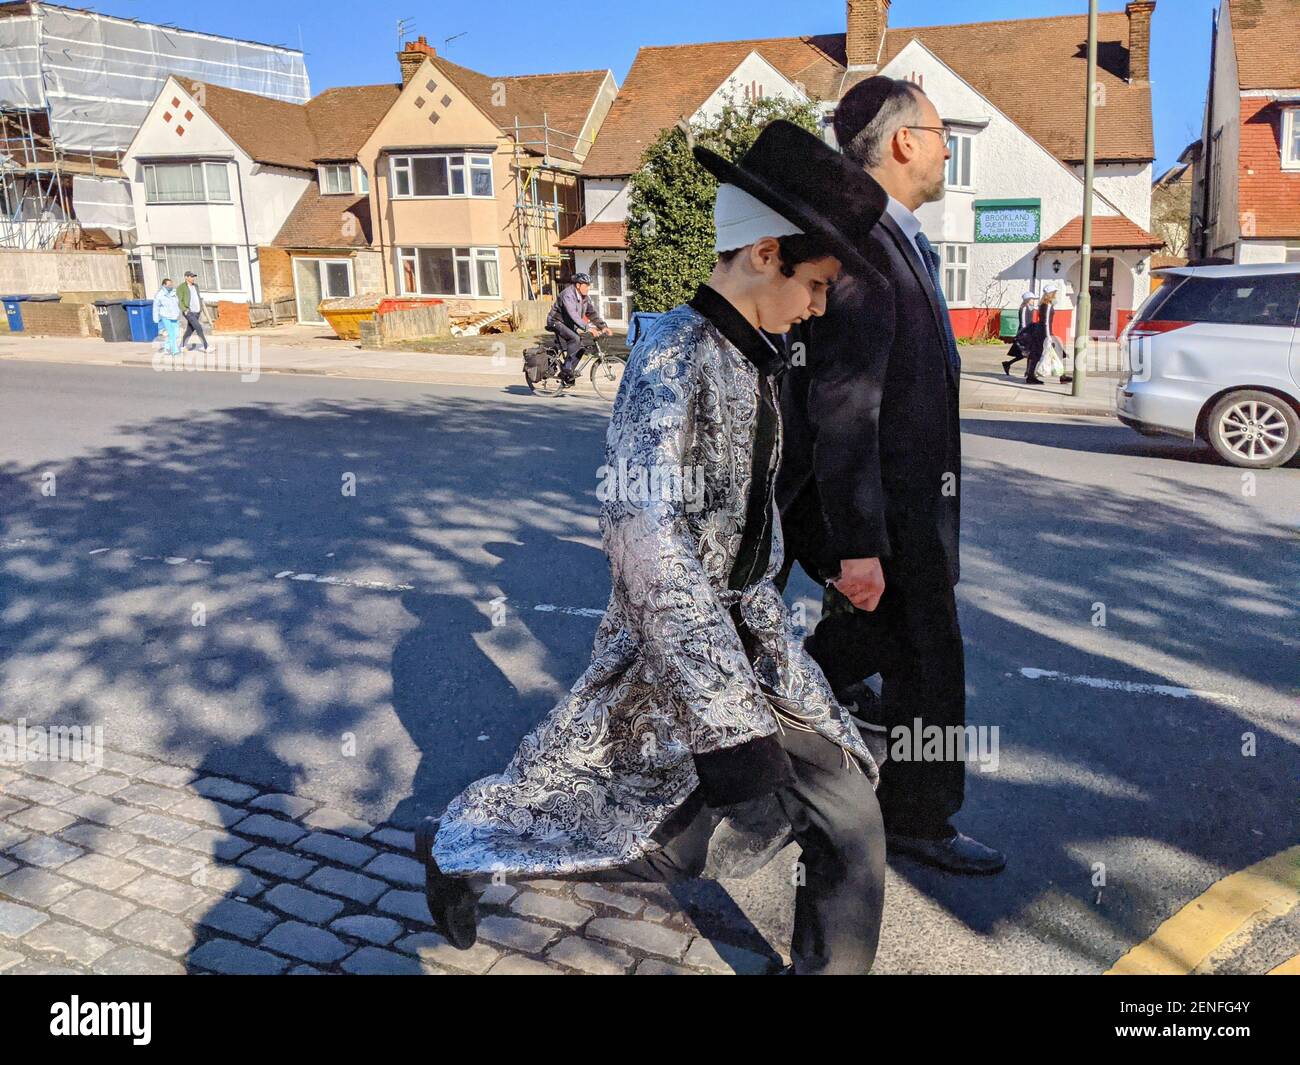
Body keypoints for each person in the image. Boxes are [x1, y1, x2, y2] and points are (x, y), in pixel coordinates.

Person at [417, 120, 892, 974]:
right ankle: (459, 849)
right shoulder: (670, 358)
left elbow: (760, 507)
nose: (820, 306)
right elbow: (644, 533)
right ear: (763, 254)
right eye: (816, 284)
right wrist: (722, 719)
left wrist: (837, 561)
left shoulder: (759, 359)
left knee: (848, 816)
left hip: (756, 650)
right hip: (674, 660)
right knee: (597, 815)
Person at [777, 76, 1006, 876]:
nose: (947, 147)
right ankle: (921, 817)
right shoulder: (866, 243)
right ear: (904, 141)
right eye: (942, 132)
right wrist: (860, 544)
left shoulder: (891, 235)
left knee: (886, 645)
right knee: (930, 661)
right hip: (893, 512)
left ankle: (771, 708)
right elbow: (841, 405)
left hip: (911, 505)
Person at [546, 273, 611, 386]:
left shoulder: (584, 297)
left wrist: (603, 326)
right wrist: (588, 328)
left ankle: (568, 373)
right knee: (575, 339)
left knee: (581, 348)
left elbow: (592, 313)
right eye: (586, 285)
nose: (589, 287)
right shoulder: (568, 295)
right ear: (578, 285)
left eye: (589, 285)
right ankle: (566, 370)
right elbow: (573, 315)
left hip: (567, 323)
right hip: (555, 321)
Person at [1026, 284, 1069, 385]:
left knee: (1057, 352)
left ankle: (1062, 376)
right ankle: (1031, 377)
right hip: (1045, 334)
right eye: (1055, 293)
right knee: (1039, 354)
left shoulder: (1043, 305)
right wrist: (1049, 337)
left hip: (1044, 332)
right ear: (1051, 294)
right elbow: (1045, 322)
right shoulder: (1047, 306)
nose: (1056, 296)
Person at [1002, 289, 1039, 377]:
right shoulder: (1024, 308)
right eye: (1032, 299)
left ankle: (1009, 364)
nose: (1033, 301)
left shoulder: (1030, 308)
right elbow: (1023, 322)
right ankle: (1027, 371)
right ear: (1028, 299)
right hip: (1024, 334)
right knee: (1027, 353)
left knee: (1026, 354)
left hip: (1028, 332)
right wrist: (1024, 334)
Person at [178, 270, 209, 352]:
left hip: (197, 311)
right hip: (189, 312)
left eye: (193, 276)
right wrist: (185, 310)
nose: (193, 278)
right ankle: (206, 347)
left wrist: (201, 308)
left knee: (189, 330)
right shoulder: (181, 287)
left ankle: (182, 346)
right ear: (186, 277)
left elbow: (198, 297)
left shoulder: (196, 286)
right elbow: (179, 300)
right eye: (191, 276)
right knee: (198, 327)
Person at [152, 278, 181, 356]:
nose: (170, 286)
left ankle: (166, 347)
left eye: (171, 284)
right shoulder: (159, 295)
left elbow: (176, 303)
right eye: (169, 284)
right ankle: (175, 350)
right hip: (165, 316)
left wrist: (179, 313)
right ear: (164, 285)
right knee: (171, 333)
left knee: (177, 334)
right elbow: (155, 307)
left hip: (174, 316)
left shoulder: (174, 292)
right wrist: (156, 319)